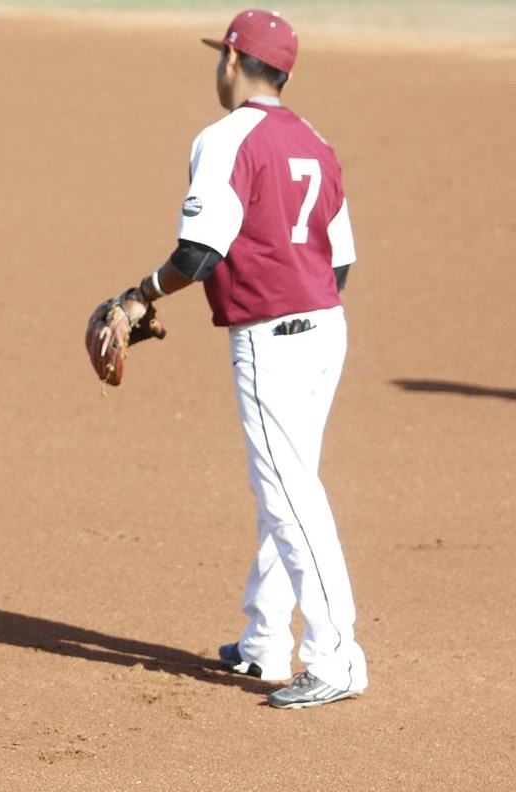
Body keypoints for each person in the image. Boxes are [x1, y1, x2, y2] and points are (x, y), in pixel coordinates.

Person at [110, 9, 367, 709]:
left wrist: (138, 297)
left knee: (289, 495)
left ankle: (336, 655)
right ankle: (263, 642)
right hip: (324, 328)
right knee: (289, 482)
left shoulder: (225, 139)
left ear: (232, 59)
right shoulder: (314, 140)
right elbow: (338, 260)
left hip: (272, 336)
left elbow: (198, 254)